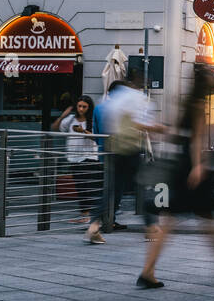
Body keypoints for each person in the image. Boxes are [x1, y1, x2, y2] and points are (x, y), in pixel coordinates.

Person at [136, 66, 214, 289]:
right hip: (192, 169)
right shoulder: (199, 107)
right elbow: (197, 140)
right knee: (213, 219)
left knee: (181, 219)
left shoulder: (185, 103)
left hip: (180, 166)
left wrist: (157, 129)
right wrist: (198, 166)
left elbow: (178, 135)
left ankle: (148, 271)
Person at [85, 74, 163, 245]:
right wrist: (158, 128)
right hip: (131, 148)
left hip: (113, 147)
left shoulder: (111, 100)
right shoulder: (137, 98)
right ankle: (151, 228)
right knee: (142, 185)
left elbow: (106, 124)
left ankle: (94, 225)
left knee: (111, 189)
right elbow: (139, 123)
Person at [57, 95, 98, 224]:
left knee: (87, 187)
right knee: (80, 187)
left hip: (89, 157)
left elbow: (97, 138)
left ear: (89, 108)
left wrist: (83, 131)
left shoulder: (93, 120)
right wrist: (62, 116)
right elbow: (56, 128)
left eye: (84, 107)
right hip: (74, 157)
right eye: (79, 106)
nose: (81, 109)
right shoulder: (70, 120)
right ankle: (86, 216)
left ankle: (88, 216)